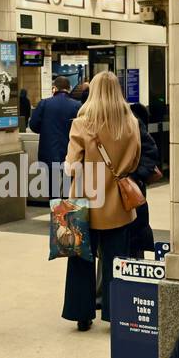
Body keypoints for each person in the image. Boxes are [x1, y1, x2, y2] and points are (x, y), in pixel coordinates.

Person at [62, 71, 140, 331]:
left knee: (81, 259)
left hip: (84, 200)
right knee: (116, 260)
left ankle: (81, 314)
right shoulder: (131, 123)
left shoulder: (82, 123)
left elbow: (72, 167)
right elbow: (136, 161)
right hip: (117, 202)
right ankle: (114, 314)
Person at [28, 75, 80, 188]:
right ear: (69, 88)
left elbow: (33, 126)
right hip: (70, 154)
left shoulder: (44, 104)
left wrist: (46, 129)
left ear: (54, 88)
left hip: (49, 153)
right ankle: (67, 204)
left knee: (53, 189)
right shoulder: (77, 105)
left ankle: (55, 204)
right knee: (68, 189)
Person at [126, 101, 159, 257]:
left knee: (134, 239)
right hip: (107, 193)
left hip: (130, 190)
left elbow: (149, 151)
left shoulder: (131, 120)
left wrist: (136, 177)